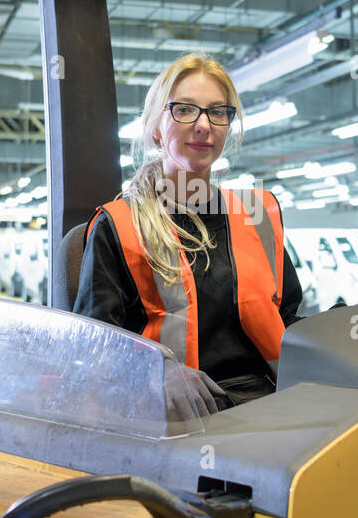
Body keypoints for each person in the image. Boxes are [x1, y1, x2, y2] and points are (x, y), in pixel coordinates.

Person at [73, 53, 305, 418]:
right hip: (174, 418)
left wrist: (337, 336)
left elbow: (289, 318)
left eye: (218, 112)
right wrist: (153, 373)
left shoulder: (258, 215)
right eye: (184, 110)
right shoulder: (117, 226)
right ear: (155, 128)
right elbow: (94, 348)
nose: (203, 125)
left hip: (271, 407)